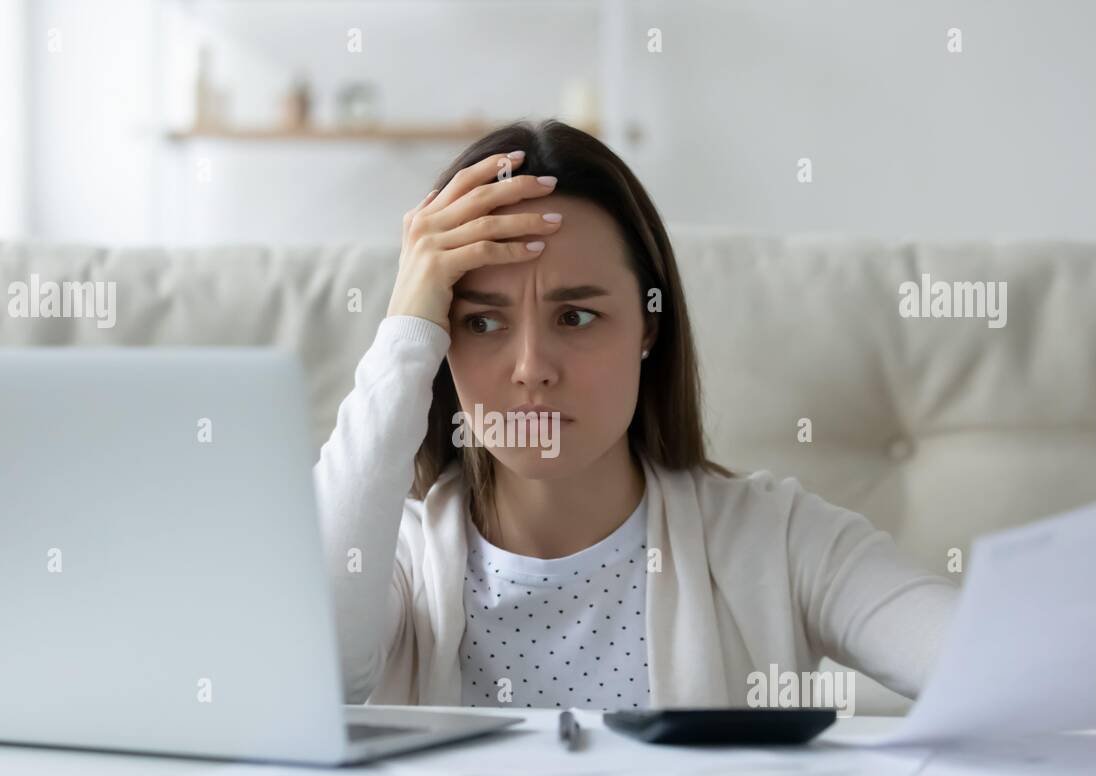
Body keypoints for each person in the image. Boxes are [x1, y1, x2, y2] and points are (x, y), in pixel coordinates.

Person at [313, 119, 955, 711]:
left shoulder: (776, 542)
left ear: (649, 325)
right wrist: (404, 330)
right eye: (481, 322)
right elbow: (317, 669)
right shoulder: (394, 561)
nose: (532, 367)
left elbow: (992, 670)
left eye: (577, 317)